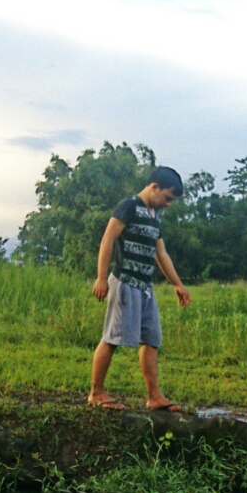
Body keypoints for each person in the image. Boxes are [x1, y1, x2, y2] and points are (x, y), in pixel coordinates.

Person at [88, 167, 192, 411]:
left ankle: (154, 397)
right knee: (112, 338)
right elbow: (108, 239)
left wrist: (177, 284)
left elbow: (160, 253)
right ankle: (96, 393)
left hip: (146, 287)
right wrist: (101, 278)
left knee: (152, 339)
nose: (168, 204)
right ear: (154, 187)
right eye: (167, 198)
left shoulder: (155, 216)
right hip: (124, 282)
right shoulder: (129, 206)